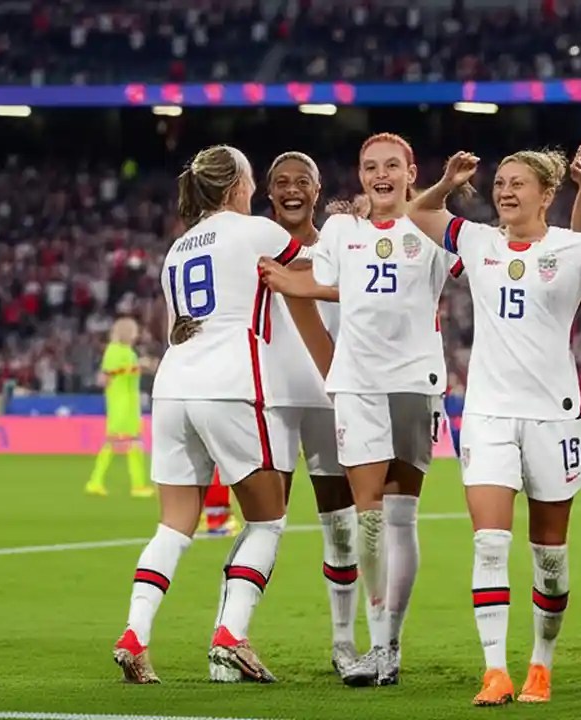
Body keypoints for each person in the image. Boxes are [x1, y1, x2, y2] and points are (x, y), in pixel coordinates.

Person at [406, 146, 581, 706]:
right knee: (489, 543)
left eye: (517, 183)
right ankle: (495, 670)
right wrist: (447, 181)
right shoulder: (477, 242)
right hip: (488, 414)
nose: (504, 191)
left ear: (546, 194)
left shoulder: (572, 248)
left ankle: (541, 664)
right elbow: (417, 213)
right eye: (500, 182)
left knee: (549, 557)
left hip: (554, 415)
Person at [112, 144, 328, 684]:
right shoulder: (255, 232)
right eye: (251, 179)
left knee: (172, 525)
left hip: (172, 387)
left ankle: (135, 634)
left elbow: (178, 326)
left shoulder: (177, 249)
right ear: (237, 186)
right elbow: (319, 266)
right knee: (267, 520)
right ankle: (231, 634)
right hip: (230, 385)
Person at [258, 133, 458, 687]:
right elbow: (327, 283)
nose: (381, 174)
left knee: (400, 517)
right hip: (358, 385)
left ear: (411, 172)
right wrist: (281, 277)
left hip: (415, 381)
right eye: (371, 167)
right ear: (360, 174)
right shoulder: (343, 230)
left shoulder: (432, 228)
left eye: (392, 165)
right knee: (367, 516)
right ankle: (376, 644)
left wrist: (442, 188)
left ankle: (390, 644)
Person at [260, 150, 371, 673]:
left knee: (341, 527)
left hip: (331, 400)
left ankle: (344, 643)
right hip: (272, 401)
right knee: (263, 524)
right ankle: (232, 635)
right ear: (268, 192)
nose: (292, 189)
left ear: (317, 190)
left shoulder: (341, 246)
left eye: (302, 181)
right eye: (281, 181)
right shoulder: (253, 247)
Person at [84, 317, 153, 498]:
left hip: (129, 401)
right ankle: (100, 482)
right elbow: (108, 375)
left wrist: (139, 367)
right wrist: (136, 367)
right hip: (120, 401)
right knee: (120, 441)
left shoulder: (127, 351)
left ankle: (103, 482)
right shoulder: (114, 350)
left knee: (130, 442)